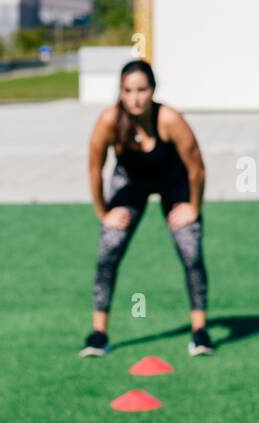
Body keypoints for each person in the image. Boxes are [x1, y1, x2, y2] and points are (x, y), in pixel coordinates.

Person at [82, 60, 213, 358]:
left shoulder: (169, 120)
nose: (135, 98)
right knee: (109, 249)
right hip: (130, 182)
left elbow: (197, 169)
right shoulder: (109, 121)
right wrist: (103, 214)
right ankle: (98, 334)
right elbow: (94, 169)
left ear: (152, 90)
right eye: (128, 91)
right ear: (121, 92)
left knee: (190, 247)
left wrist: (193, 207)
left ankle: (200, 332)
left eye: (142, 90)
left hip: (172, 180)